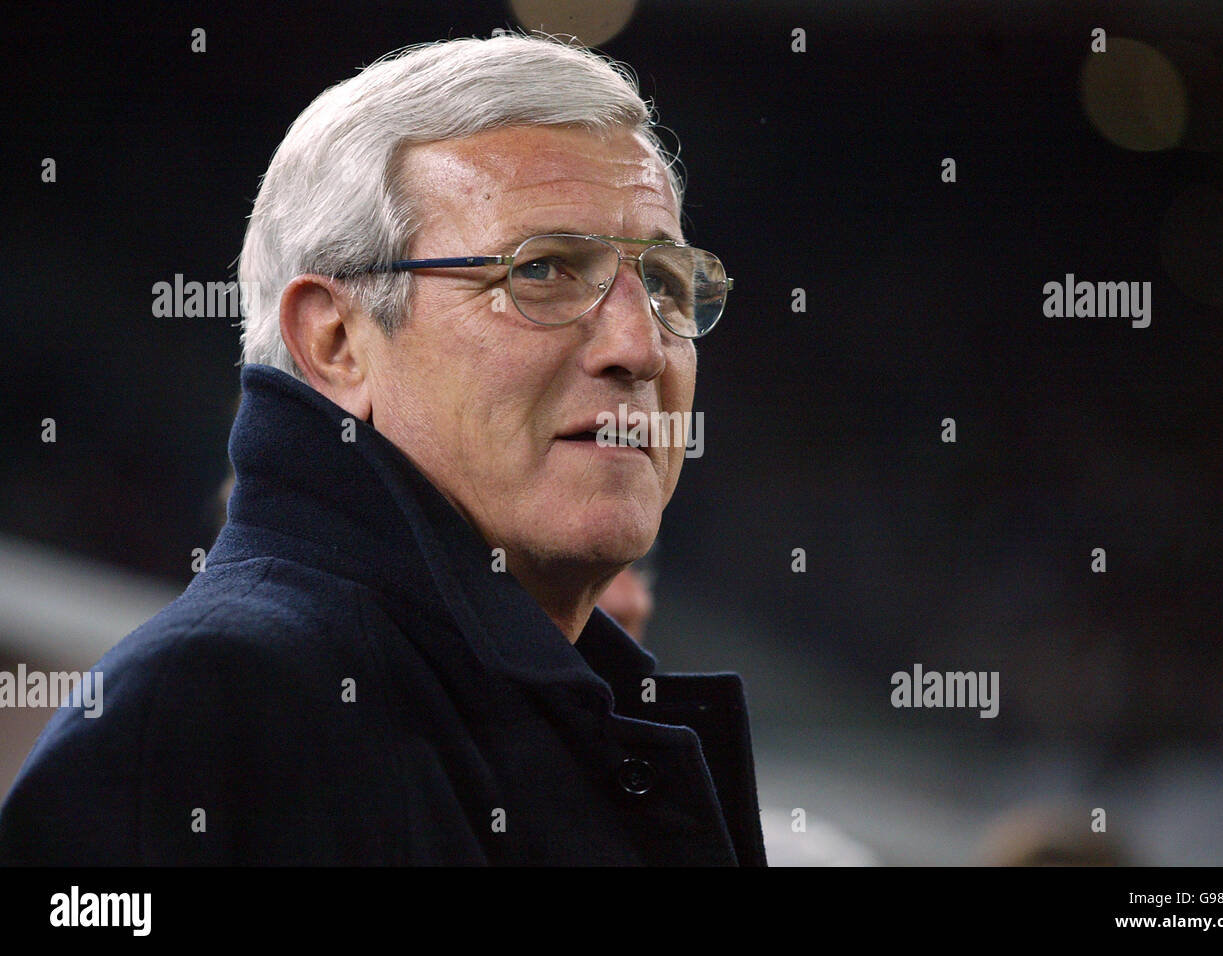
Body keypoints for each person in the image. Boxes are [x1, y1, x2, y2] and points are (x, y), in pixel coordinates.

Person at [0, 33, 765, 866]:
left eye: (663, 283)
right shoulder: (206, 711)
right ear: (335, 342)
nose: (641, 346)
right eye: (542, 271)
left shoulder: (563, 719)